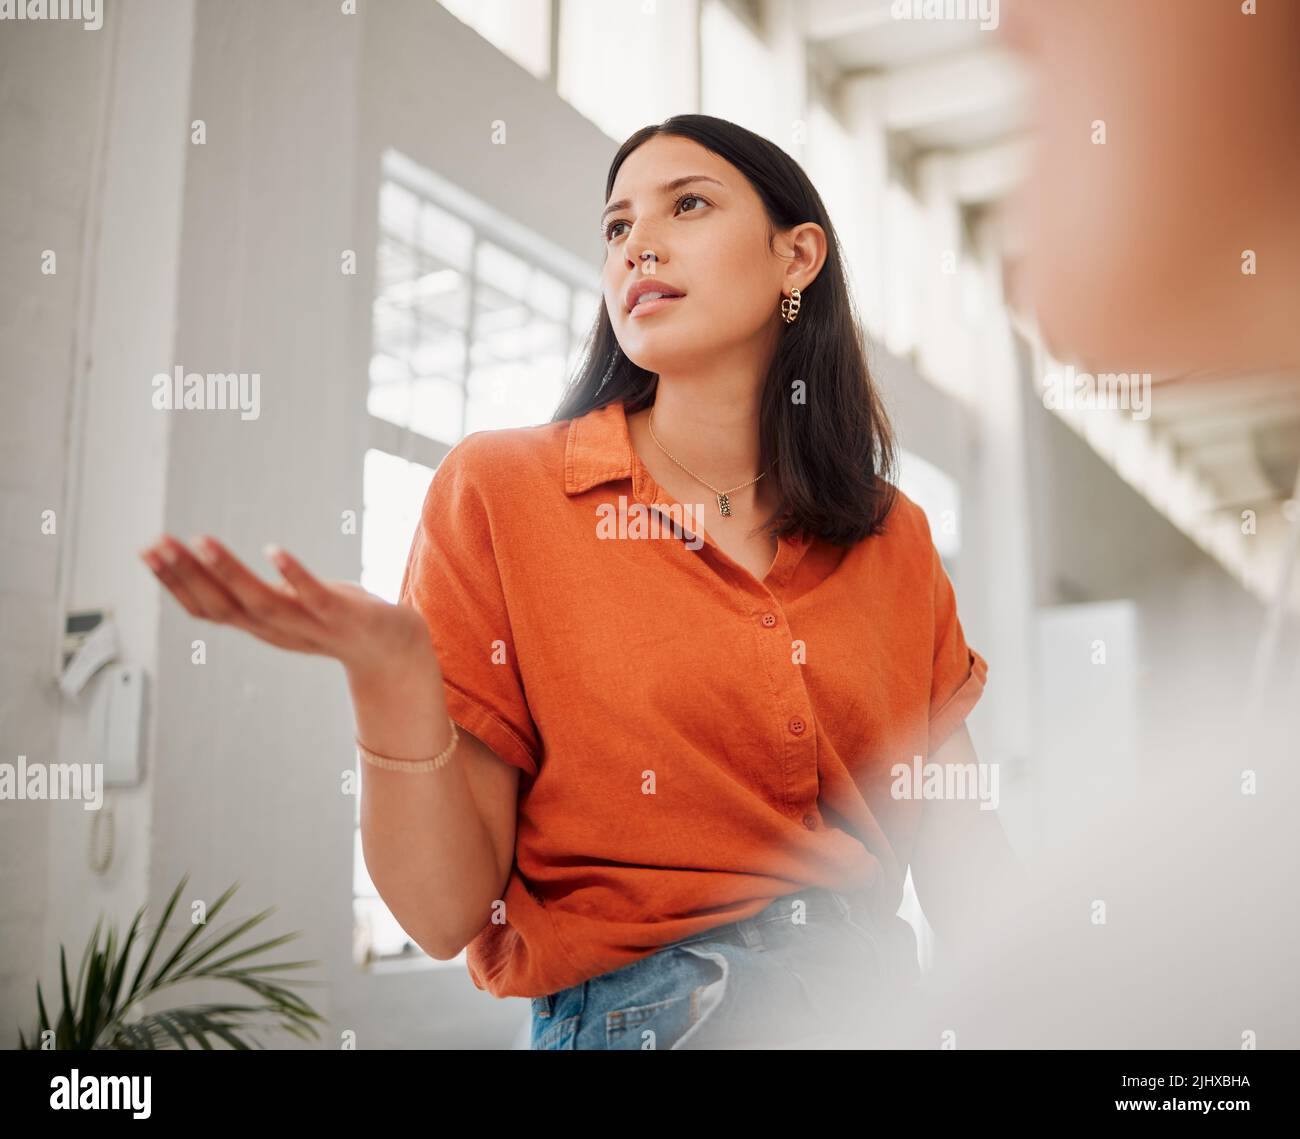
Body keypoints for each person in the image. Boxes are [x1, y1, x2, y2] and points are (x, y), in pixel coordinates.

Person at [139, 114, 1023, 1050]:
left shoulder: (892, 536)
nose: (638, 243)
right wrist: (393, 675)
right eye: (615, 227)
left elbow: (964, 865)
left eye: (687, 205)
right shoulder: (501, 492)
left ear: (796, 256)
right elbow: (444, 915)